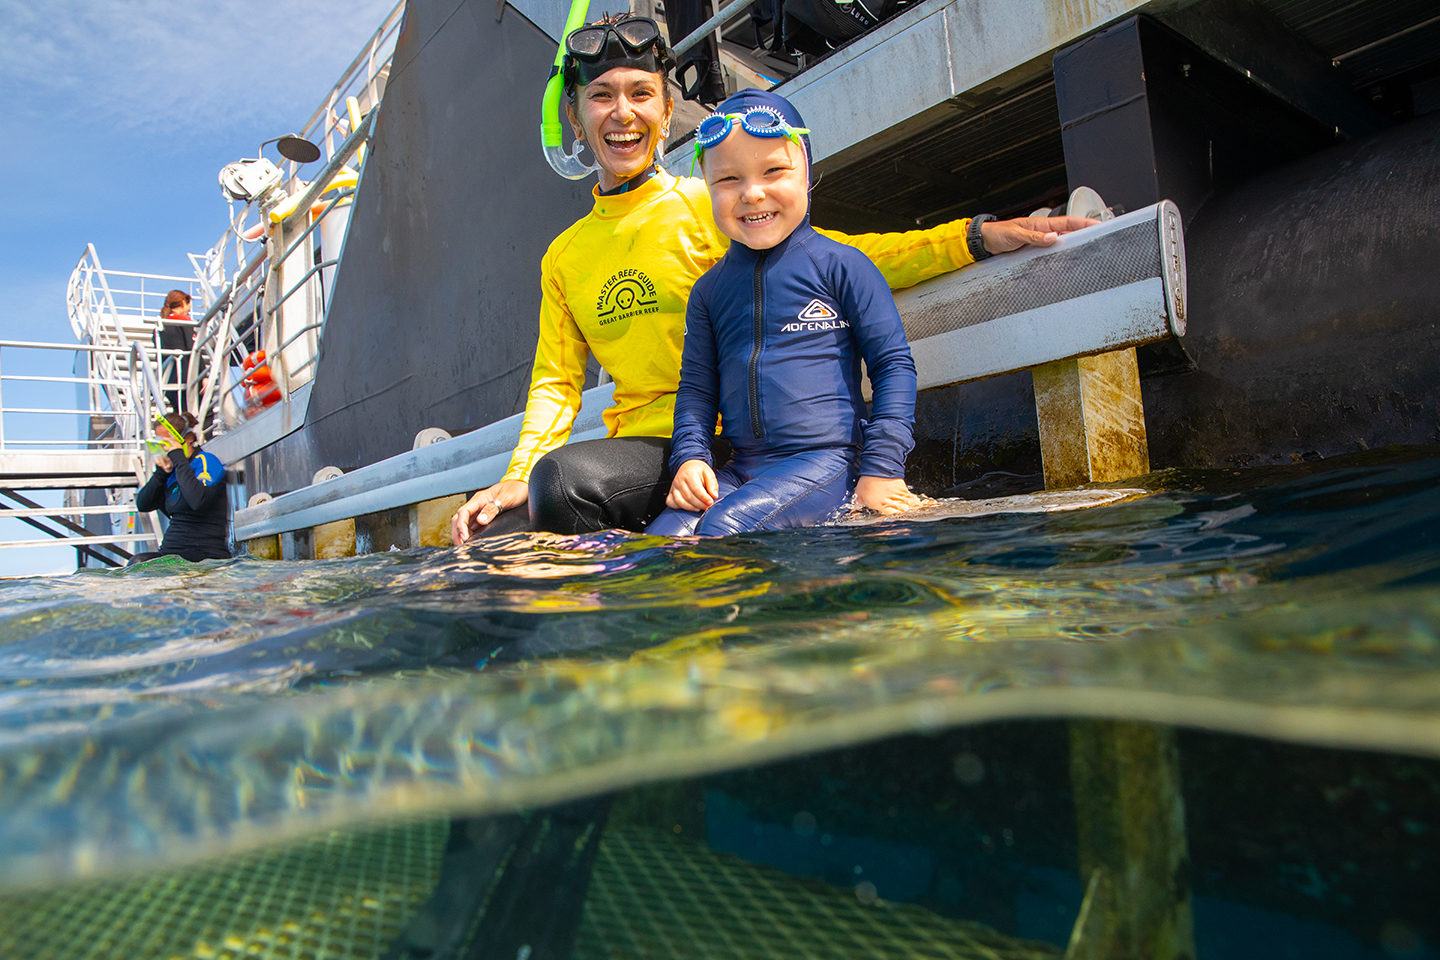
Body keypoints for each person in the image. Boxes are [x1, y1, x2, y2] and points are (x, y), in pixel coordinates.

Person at [451, 13, 1095, 545]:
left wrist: (974, 236)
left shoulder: (713, 203)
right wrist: (517, 472)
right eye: (602, 96)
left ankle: (634, 618)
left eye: (641, 93)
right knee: (496, 533)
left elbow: (850, 256)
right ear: (575, 113)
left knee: (562, 486)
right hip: (662, 454)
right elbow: (555, 384)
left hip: (740, 441)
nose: (623, 113)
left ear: (667, 106)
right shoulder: (564, 255)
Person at [648, 89, 918, 537]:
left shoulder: (842, 266)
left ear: (806, 173)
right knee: (662, 541)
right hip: (743, 468)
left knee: (723, 528)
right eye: (729, 180)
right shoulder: (709, 291)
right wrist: (691, 458)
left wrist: (883, 468)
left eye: (773, 170)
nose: (752, 193)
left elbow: (893, 366)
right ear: (708, 187)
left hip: (828, 462)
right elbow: (696, 390)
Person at [130, 413, 232, 564]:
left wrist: (178, 456)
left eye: (167, 443)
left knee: (139, 562)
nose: (164, 448)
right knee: (138, 563)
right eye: (159, 444)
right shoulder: (173, 472)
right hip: (172, 553)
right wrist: (161, 472)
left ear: (188, 439)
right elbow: (143, 505)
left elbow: (197, 501)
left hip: (204, 554)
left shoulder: (206, 461)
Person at [159, 289, 195, 415]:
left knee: (179, 413)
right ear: (183, 303)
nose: (190, 308)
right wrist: (204, 375)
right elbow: (193, 349)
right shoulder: (182, 320)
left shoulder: (162, 325)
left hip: (169, 377)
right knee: (200, 415)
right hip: (186, 376)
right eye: (189, 303)